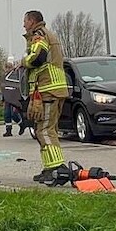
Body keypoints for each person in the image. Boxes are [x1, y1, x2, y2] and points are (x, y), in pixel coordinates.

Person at [21, 10, 70, 183]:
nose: (24, 25)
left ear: (33, 21)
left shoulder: (39, 35)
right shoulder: (48, 34)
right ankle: (49, 168)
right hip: (53, 89)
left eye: (25, 21)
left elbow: (37, 58)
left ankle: (57, 168)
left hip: (48, 89)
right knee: (48, 130)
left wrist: (23, 61)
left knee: (44, 130)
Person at [2, 56, 26, 137]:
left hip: (14, 98)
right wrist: (3, 99)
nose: (7, 69)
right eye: (6, 67)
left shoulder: (15, 74)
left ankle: (22, 124)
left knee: (14, 114)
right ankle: (8, 130)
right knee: (7, 114)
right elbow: (4, 88)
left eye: (9, 67)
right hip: (8, 98)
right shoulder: (6, 77)